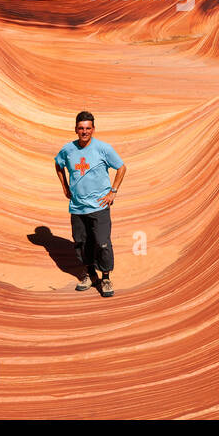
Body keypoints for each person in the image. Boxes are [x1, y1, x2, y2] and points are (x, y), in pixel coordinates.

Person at [53, 111, 126, 297]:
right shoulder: (68, 149)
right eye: (81, 128)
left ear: (93, 129)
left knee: (102, 243)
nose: (84, 131)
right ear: (75, 129)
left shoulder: (103, 148)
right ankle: (90, 274)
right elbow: (58, 164)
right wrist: (65, 186)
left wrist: (113, 191)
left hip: (99, 206)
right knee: (81, 243)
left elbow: (121, 167)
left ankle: (106, 277)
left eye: (88, 128)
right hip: (77, 207)